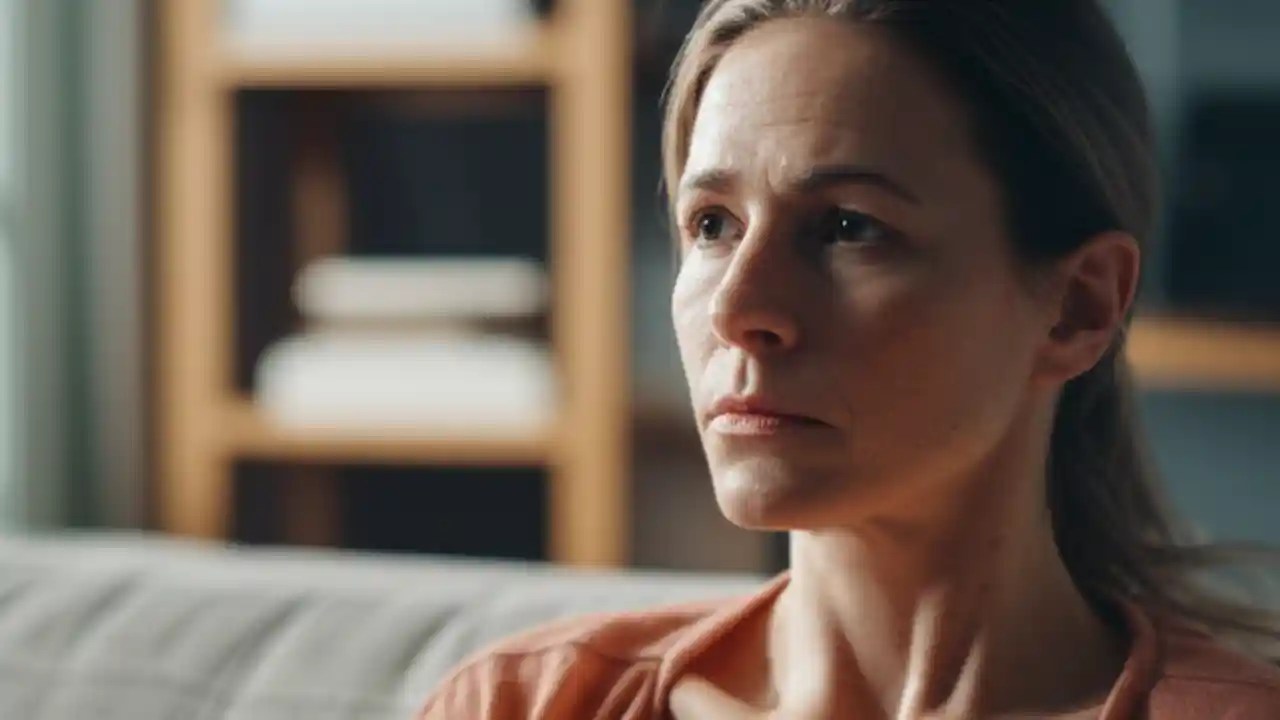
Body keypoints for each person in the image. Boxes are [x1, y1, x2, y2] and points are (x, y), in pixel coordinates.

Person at [420, 1, 1280, 717]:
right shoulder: (526, 701)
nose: (737, 309)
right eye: (712, 224)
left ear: (1078, 306)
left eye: (847, 227)